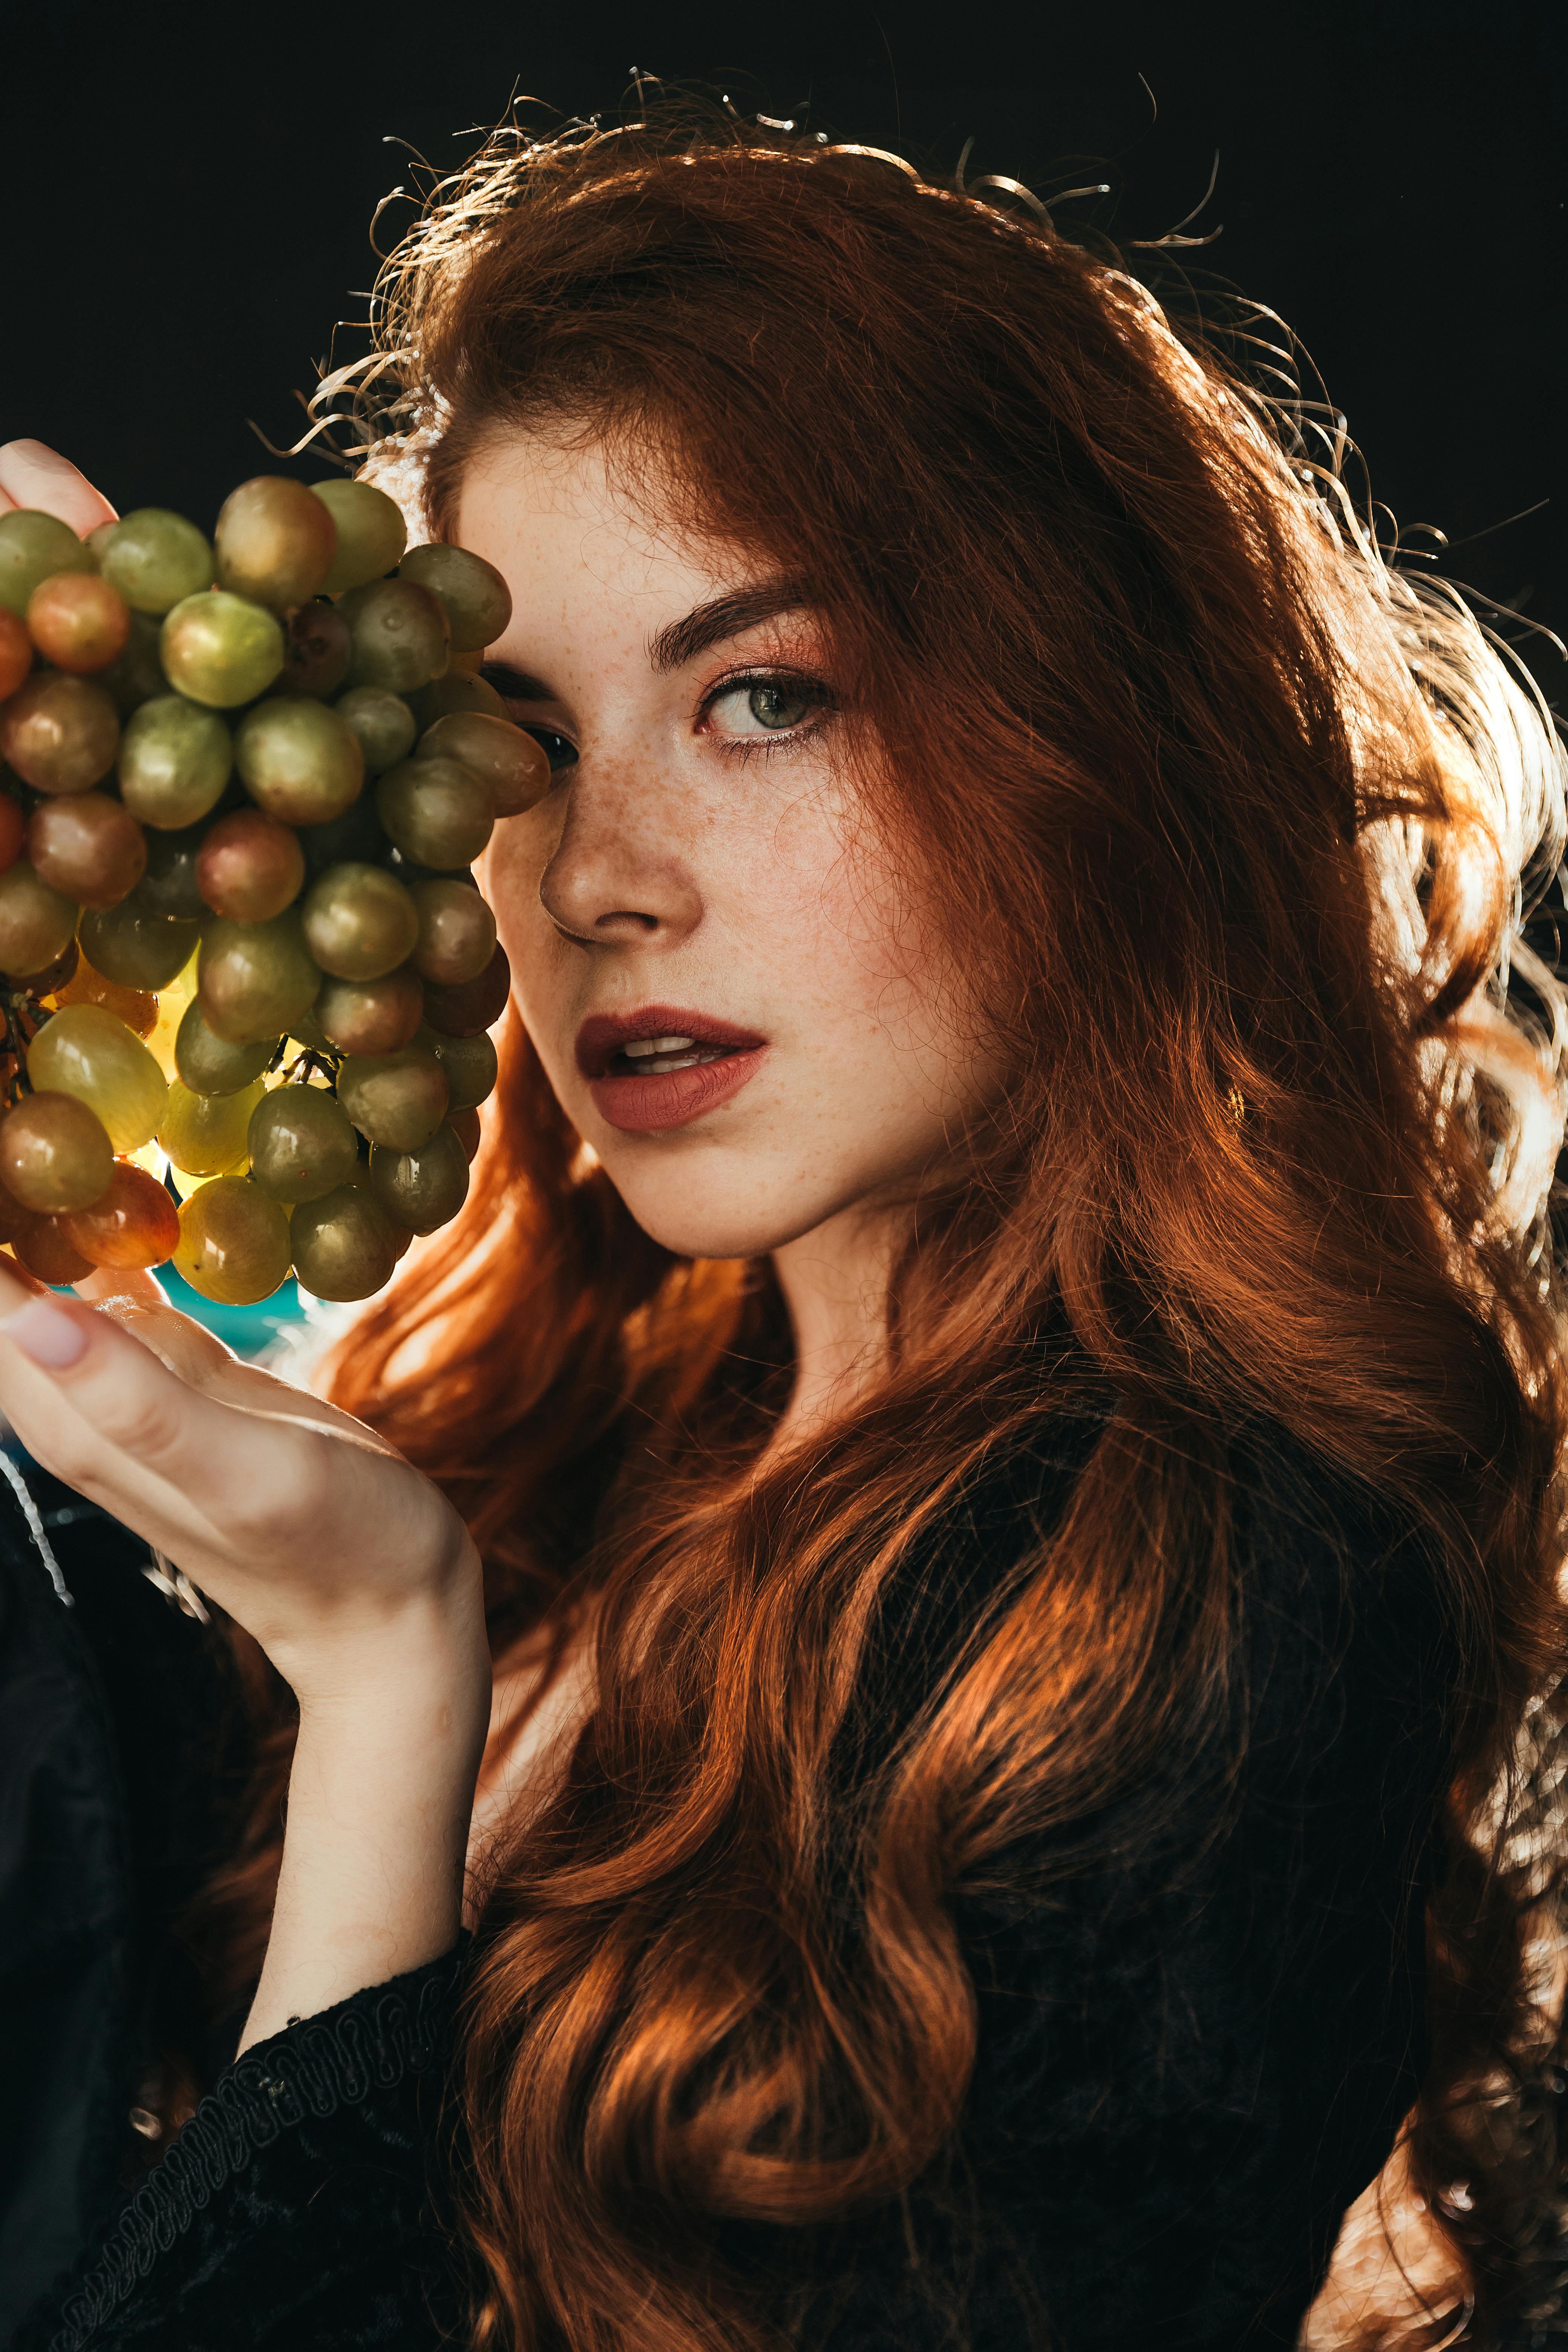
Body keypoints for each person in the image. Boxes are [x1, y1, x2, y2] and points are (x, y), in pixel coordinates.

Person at [5, 92, 1568, 2352]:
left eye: (763, 697)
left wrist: (382, 1686)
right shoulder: (559, 1426)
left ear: (1080, 746)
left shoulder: (1230, 1601)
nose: (598, 871)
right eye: (523, 736)